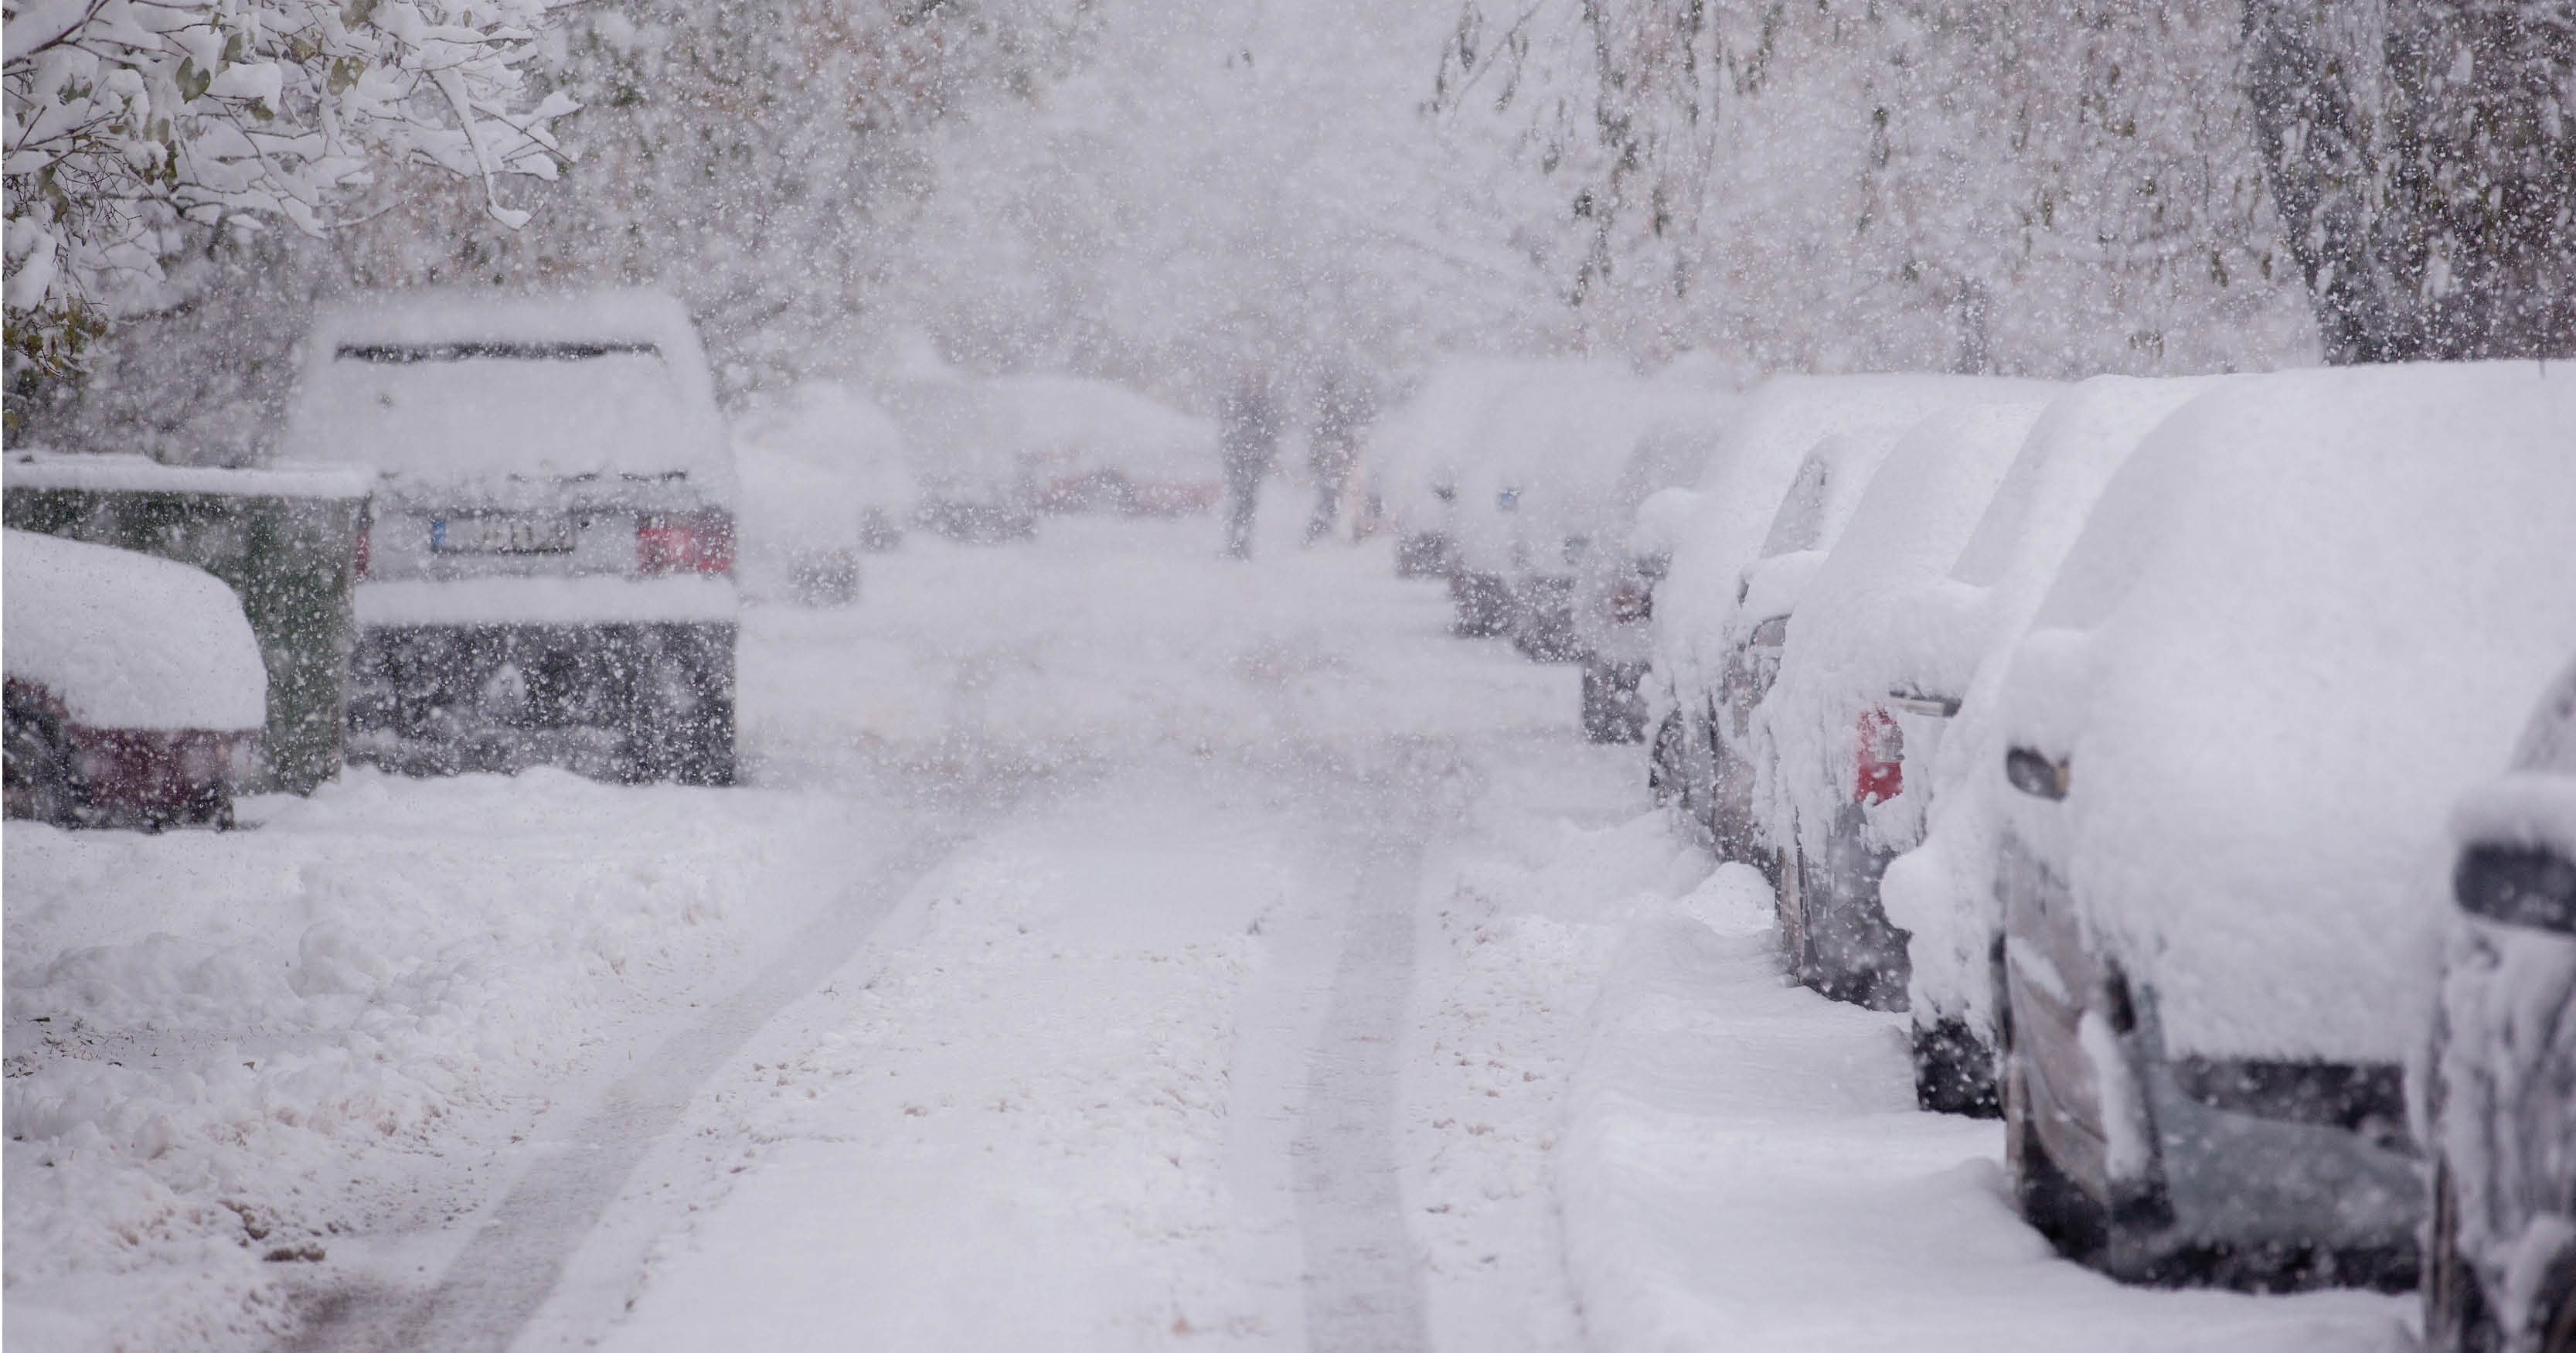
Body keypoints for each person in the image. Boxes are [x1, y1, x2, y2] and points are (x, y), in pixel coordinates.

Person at [1217, 366, 1279, 559]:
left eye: (1256, 380)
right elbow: (1228, 430)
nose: (1252, 384)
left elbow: (1271, 433)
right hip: (1238, 462)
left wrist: (1263, 453)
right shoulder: (1237, 402)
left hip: (1254, 463)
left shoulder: (1264, 405)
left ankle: (1243, 543)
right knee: (1238, 503)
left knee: (1248, 503)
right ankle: (1235, 543)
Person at [1305, 369, 1366, 545]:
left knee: (1329, 500)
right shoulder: (1336, 413)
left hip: (1332, 463)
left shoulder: (1328, 413)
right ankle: (1318, 533)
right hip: (1333, 463)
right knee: (1330, 500)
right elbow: (1336, 438)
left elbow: (1320, 441)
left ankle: (1319, 533)